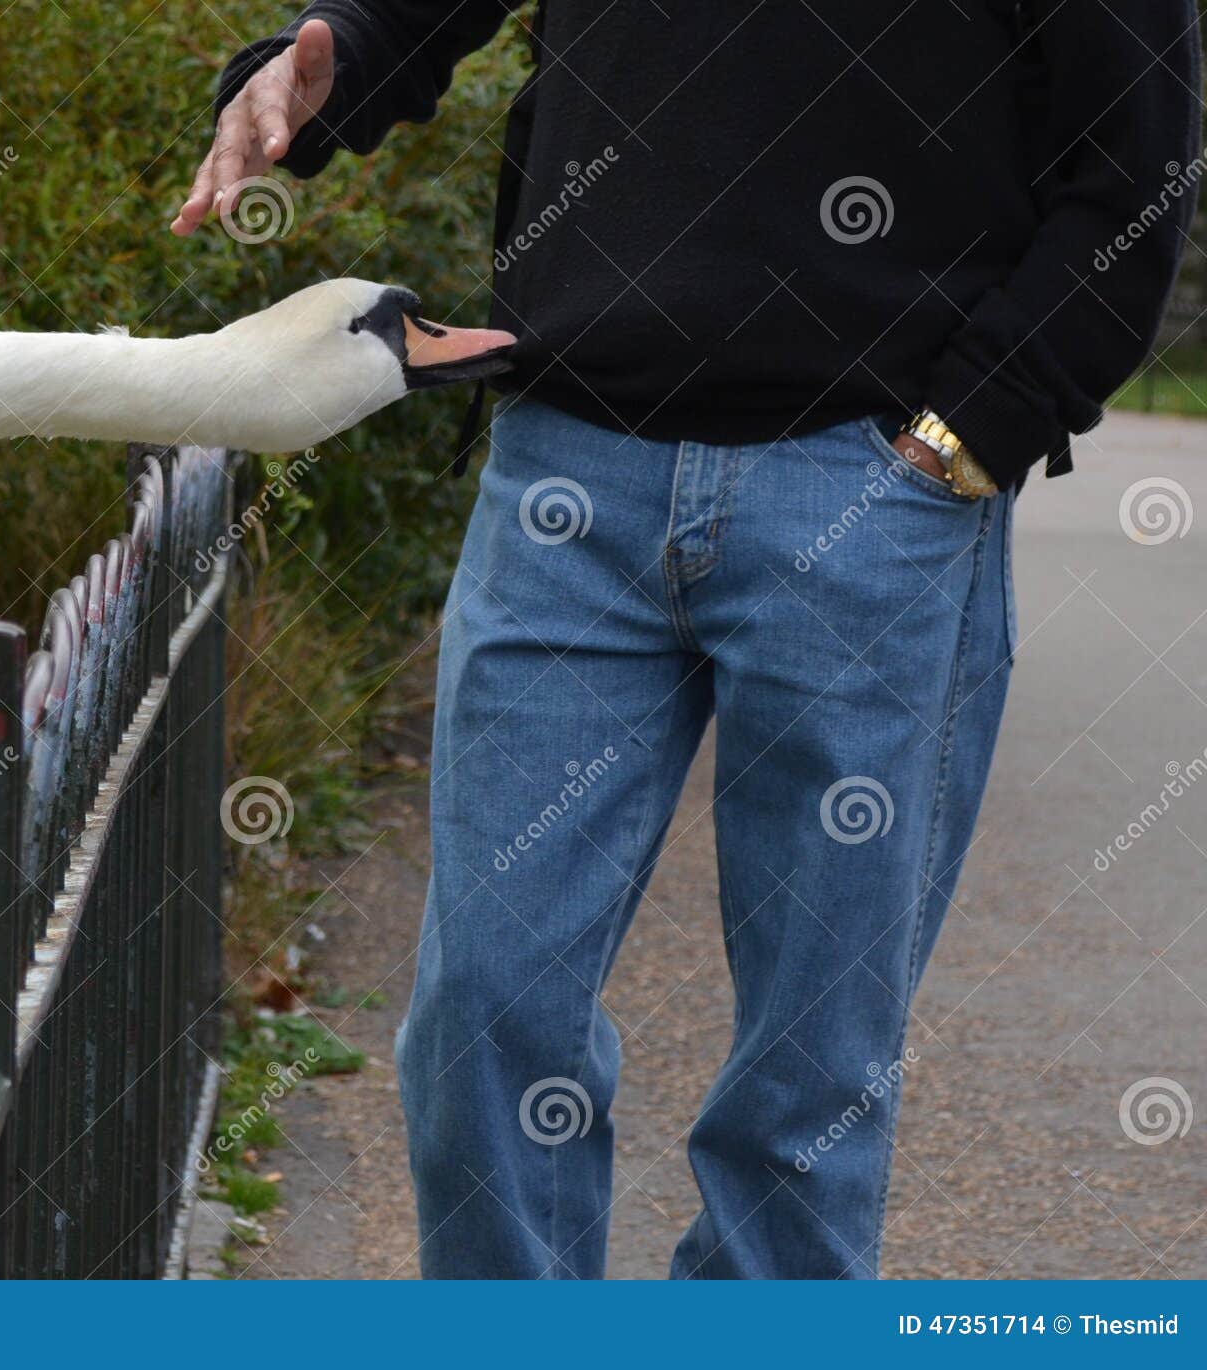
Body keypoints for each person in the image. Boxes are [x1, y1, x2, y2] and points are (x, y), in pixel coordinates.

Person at [175, 4, 1203, 1279]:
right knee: (480, 1014)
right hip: (569, 478)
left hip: (870, 496)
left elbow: (1138, 169)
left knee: (808, 1082)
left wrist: (966, 434)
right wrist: (326, 59)